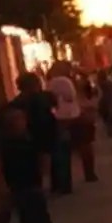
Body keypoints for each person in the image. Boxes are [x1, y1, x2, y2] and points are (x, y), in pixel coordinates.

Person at [0, 76, 70, 223]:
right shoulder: (11, 143)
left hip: (28, 187)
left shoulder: (24, 138)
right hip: (22, 188)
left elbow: (40, 156)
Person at [44, 61, 79, 193]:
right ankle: (65, 183)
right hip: (66, 116)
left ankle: (59, 183)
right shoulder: (63, 81)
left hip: (58, 117)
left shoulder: (51, 82)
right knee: (64, 151)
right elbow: (71, 96)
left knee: (59, 151)